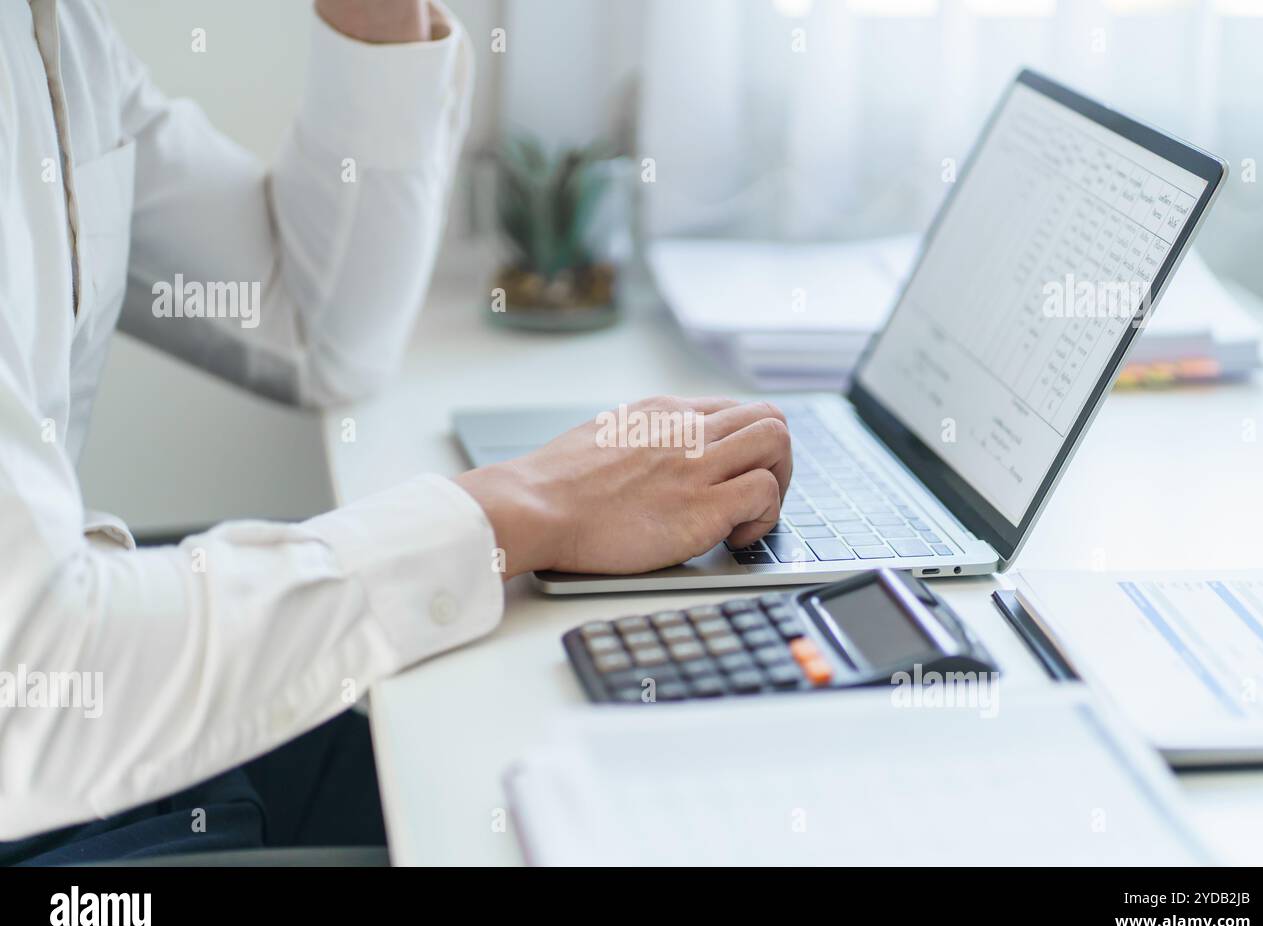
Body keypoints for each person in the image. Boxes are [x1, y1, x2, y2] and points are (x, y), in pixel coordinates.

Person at [0, 0, 791, 863]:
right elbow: (32, 679)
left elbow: (319, 327)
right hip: (46, 749)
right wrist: (520, 509)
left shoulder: (58, 30)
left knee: (492, 778)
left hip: (86, 723)